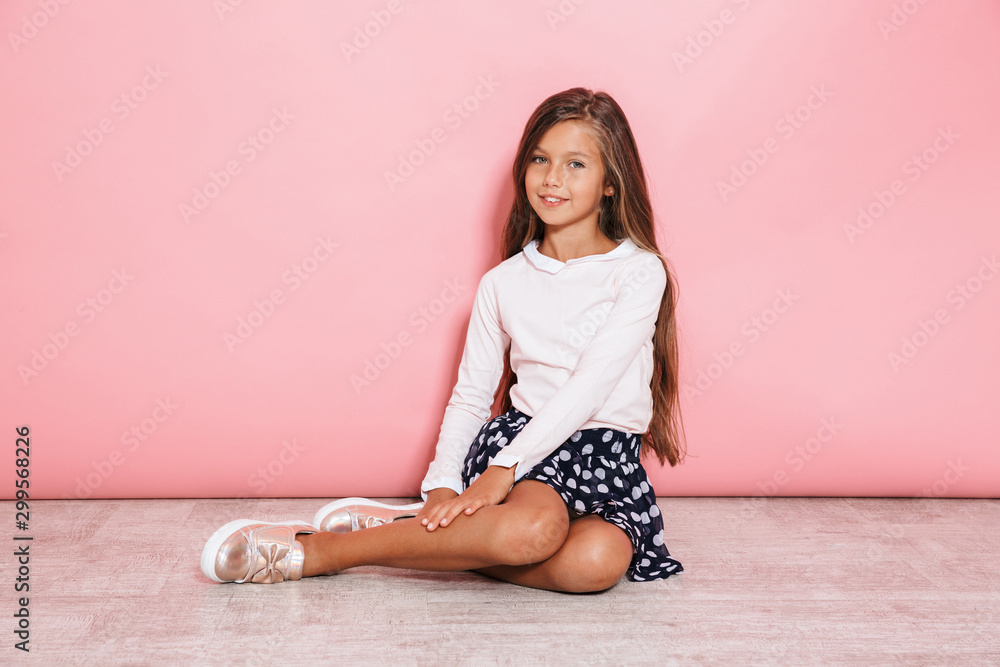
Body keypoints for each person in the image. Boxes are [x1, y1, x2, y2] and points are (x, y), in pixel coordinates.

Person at [201, 87, 686, 593]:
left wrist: (503, 471)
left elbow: (591, 385)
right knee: (535, 528)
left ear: (612, 183)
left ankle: (412, 534)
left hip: (602, 457)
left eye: (576, 165)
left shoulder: (638, 272)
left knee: (594, 565)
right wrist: (444, 482)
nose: (552, 179)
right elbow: (472, 395)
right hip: (523, 446)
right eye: (540, 159)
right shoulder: (503, 282)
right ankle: (322, 551)